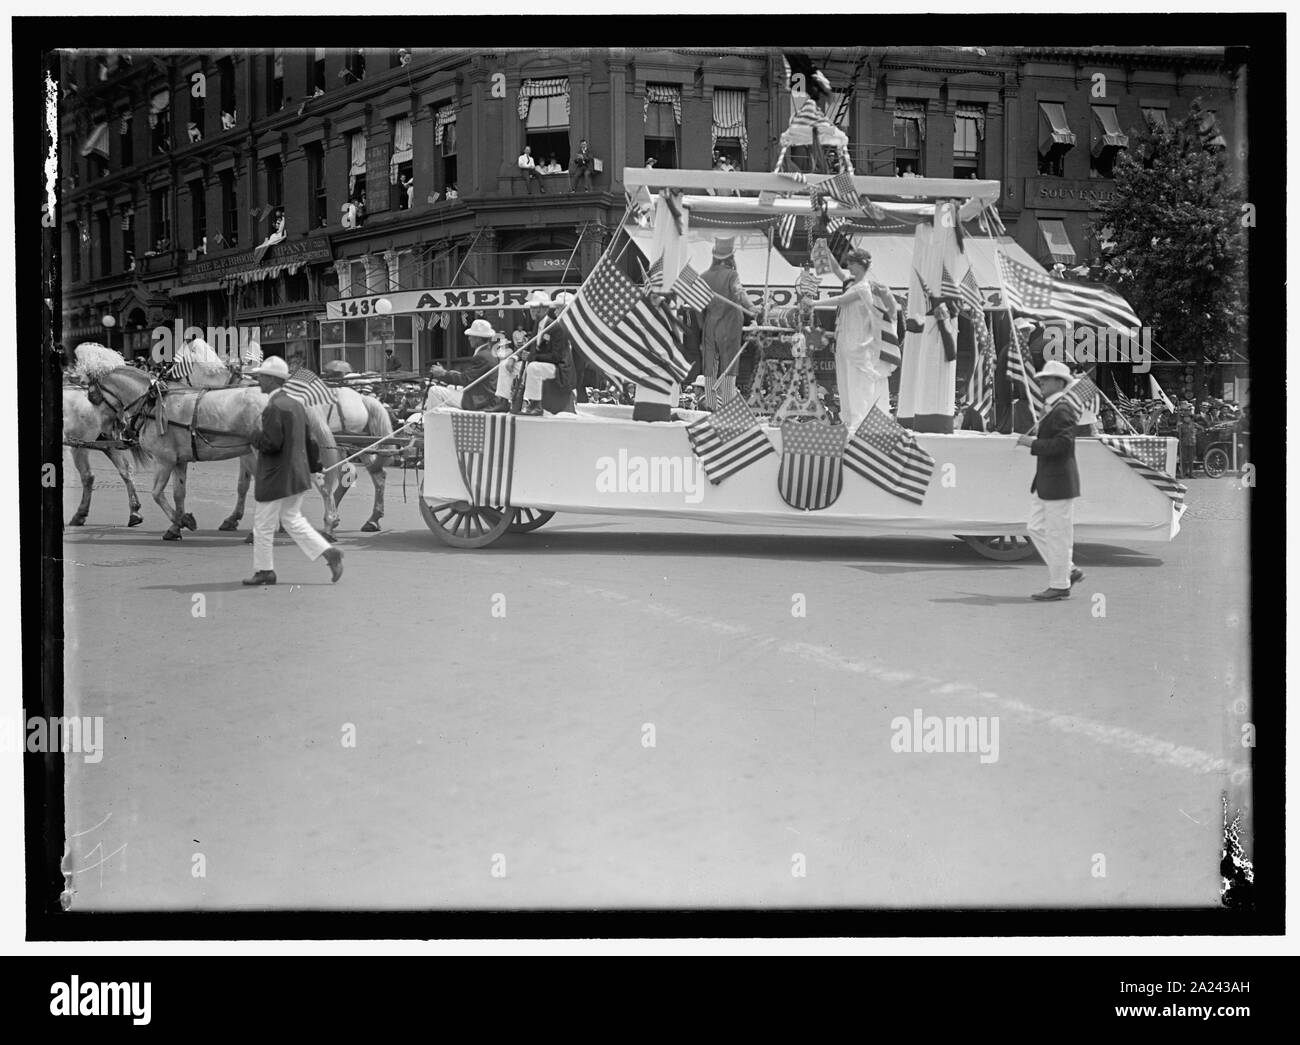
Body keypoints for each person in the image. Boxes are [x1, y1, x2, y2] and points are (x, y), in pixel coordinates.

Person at [241, 356, 344, 586]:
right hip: (297, 473)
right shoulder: (297, 405)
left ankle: (264, 570)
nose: (258, 380)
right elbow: (310, 441)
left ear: (271, 379)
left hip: (277, 476)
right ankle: (328, 552)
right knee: (292, 519)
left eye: (261, 376)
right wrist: (315, 467)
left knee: (263, 525)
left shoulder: (273, 408)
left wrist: (254, 435)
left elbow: (271, 443)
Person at [804, 246, 897, 432]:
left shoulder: (864, 287)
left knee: (858, 382)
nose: (849, 268)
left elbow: (841, 300)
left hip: (860, 343)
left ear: (861, 265)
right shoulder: (851, 284)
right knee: (845, 382)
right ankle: (849, 418)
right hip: (845, 340)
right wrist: (824, 248)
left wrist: (814, 303)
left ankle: (860, 419)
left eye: (852, 264)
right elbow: (837, 269)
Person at [1017, 360, 1083, 602]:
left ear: (1059, 383)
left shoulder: (1062, 410)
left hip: (1058, 482)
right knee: (1035, 527)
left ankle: (1059, 583)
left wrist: (1032, 444)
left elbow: (1064, 445)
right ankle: (1068, 570)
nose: (1041, 383)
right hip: (1047, 482)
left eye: (1045, 379)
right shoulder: (1053, 409)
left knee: (1057, 534)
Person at [699, 237, 756, 410]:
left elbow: (698, 306)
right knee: (729, 366)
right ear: (731, 256)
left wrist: (702, 325)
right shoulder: (732, 275)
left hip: (710, 324)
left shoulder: (704, 276)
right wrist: (751, 306)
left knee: (710, 366)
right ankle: (727, 406)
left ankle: (711, 404)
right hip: (730, 325)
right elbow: (739, 292)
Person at [425, 318, 508, 412]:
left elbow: (465, 379)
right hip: (483, 397)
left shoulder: (482, 356)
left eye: (471, 336)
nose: (469, 338)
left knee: (435, 391)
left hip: (478, 401)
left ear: (478, 338)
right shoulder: (488, 353)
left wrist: (443, 373)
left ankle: (434, 423)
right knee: (449, 388)